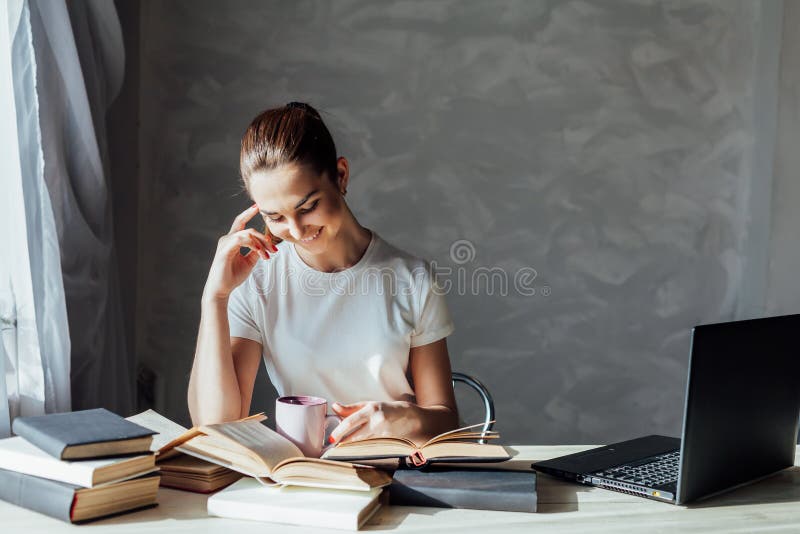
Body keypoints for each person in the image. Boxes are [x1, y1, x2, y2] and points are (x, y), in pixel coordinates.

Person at [188, 102, 458, 445]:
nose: (297, 230)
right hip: (304, 479)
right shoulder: (258, 281)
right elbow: (217, 426)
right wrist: (215, 297)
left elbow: (446, 419)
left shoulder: (412, 280)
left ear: (340, 175)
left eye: (308, 207)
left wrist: (400, 418)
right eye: (275, 217)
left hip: (395, 475)